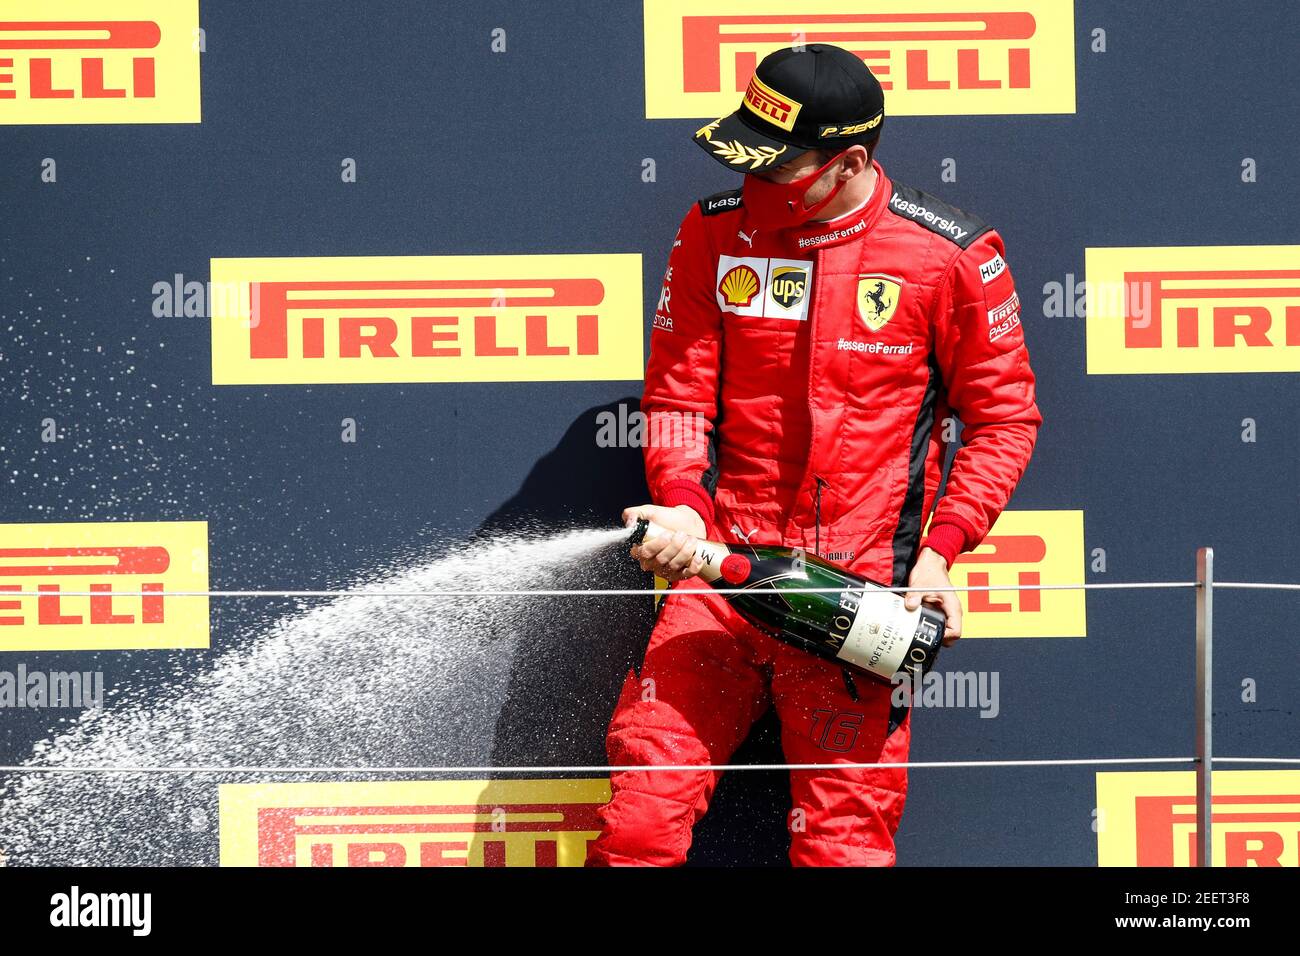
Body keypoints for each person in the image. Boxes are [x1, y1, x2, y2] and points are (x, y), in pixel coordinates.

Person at [586, 44, 1041, 867]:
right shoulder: (713, 228)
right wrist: (683, 503)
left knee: (842, 851)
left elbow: (1004, 420)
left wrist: (940, 553)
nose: (753, 184)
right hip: (718, 577)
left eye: (776, 170)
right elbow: (679, 398)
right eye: (745, 163)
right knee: (638, 827)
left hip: (861, 597)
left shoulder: (951, 255)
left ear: (850, 163)